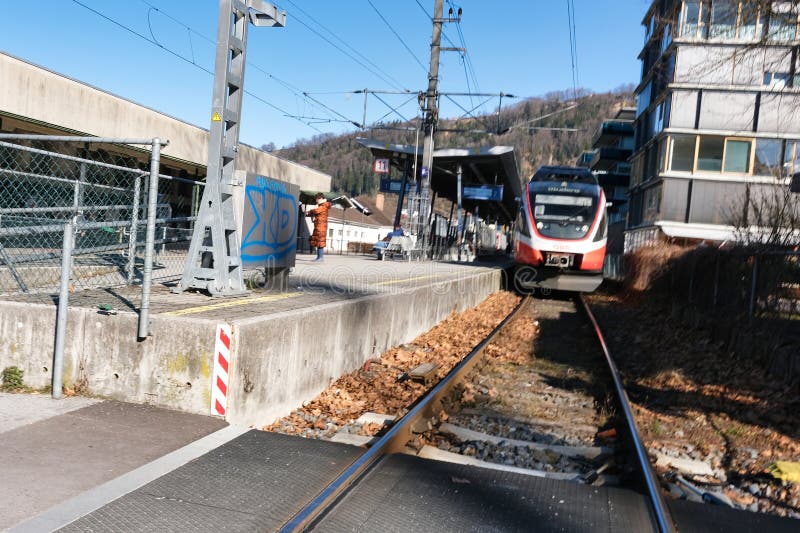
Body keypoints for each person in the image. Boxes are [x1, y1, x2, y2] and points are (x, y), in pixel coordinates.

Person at [306, 193, 332, 261]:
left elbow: (316, 211)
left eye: (317, 199)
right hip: (319, 226)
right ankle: (319, 257)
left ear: (321, 199)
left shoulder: (324, 205)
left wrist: (310, 212)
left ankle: (320, 257)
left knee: (320, 241)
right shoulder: (322, 205)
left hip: (321, 227)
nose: (316, 200)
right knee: (318, 241)